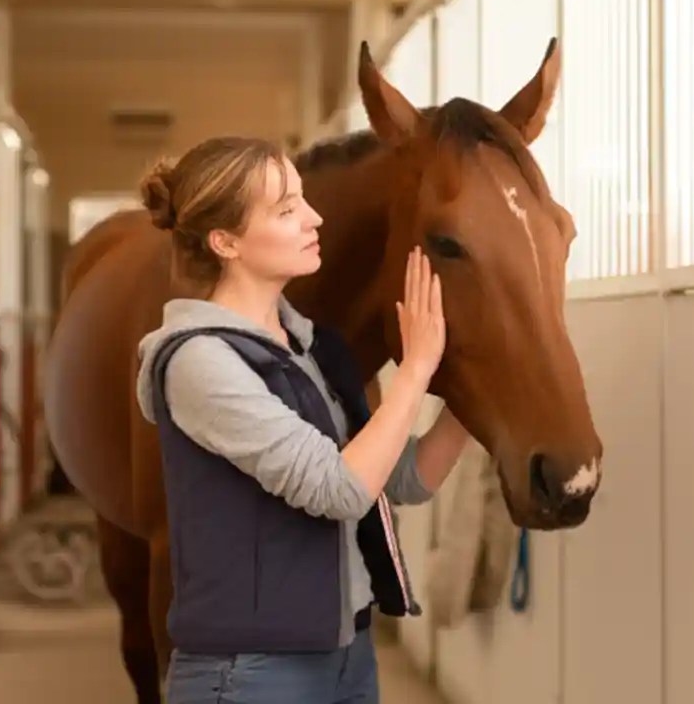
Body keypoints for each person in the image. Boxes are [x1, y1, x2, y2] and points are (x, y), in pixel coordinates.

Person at [133, 136, 470, 703]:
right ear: (225, 241)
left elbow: (399, 477)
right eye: (287, 209)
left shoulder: (309, 349)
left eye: (304, 199)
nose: (314, 217)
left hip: (346, 659)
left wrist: (472, 390)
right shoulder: (200, 361)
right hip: (251, 674)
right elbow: (338, 490)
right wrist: (414, 371)